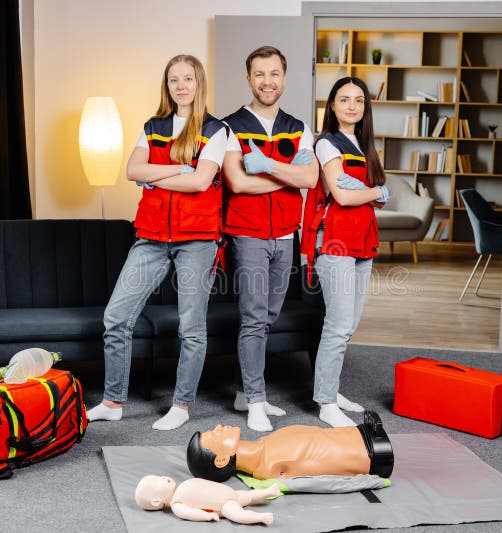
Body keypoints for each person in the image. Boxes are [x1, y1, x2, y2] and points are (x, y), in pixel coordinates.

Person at [86, 54, 228, 430]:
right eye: (173, 80)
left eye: (188, 79)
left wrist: (156, 176)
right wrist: (177, 169)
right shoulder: (153, 126)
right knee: (115, 317)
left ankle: (181, 407)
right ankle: (113, 401)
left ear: (200, 83)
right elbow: (132, 170)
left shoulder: (216, 130)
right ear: (166, 86)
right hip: (151, 237)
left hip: (197, 240)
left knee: (191, 327)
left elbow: (201, 182)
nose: (180, 86)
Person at [220, 45, 319, 432]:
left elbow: (310, 179)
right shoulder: (229, 126)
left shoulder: (298, 127)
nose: (267, 81)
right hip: (247, 234)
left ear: (284, 77)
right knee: (253, 317)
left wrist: (267, 165)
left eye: (274, 73)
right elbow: (238, 183)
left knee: (269, 316)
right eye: (259, 74)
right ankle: (257, 400)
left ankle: (246, 392)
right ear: (248, 78)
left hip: (286, 235)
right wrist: (287, 172)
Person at [301, 77, 389, 428]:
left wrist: (369, 190)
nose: (352, 105)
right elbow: (342, 196)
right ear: (332, 106)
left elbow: (364, 193)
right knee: (337, 325)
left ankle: (331, 389)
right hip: (335, 241)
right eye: (344, 99)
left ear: (365, 107)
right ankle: (325, 402)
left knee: (348, 324)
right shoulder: (326, 144)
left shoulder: (364, 144)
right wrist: (377, 191)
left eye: (358, 100)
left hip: (362, 241)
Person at [186, 411, 393, 482]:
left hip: (361, 434)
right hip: (371, 452)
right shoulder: (272, 467)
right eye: (214, 436)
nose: (219, 427)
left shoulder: (266, 444)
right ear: (222, 459)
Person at [135, 474, 279, 525]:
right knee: (237, 515)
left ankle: (268, 491)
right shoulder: (176, 504)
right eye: (157, 481)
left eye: (158, 476)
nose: (162, 477)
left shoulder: (183, 485)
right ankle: (260, 517)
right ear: (156, 501)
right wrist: (206, 515)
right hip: (223, 505)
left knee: (248, 495)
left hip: (229, 493)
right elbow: (190, 513)